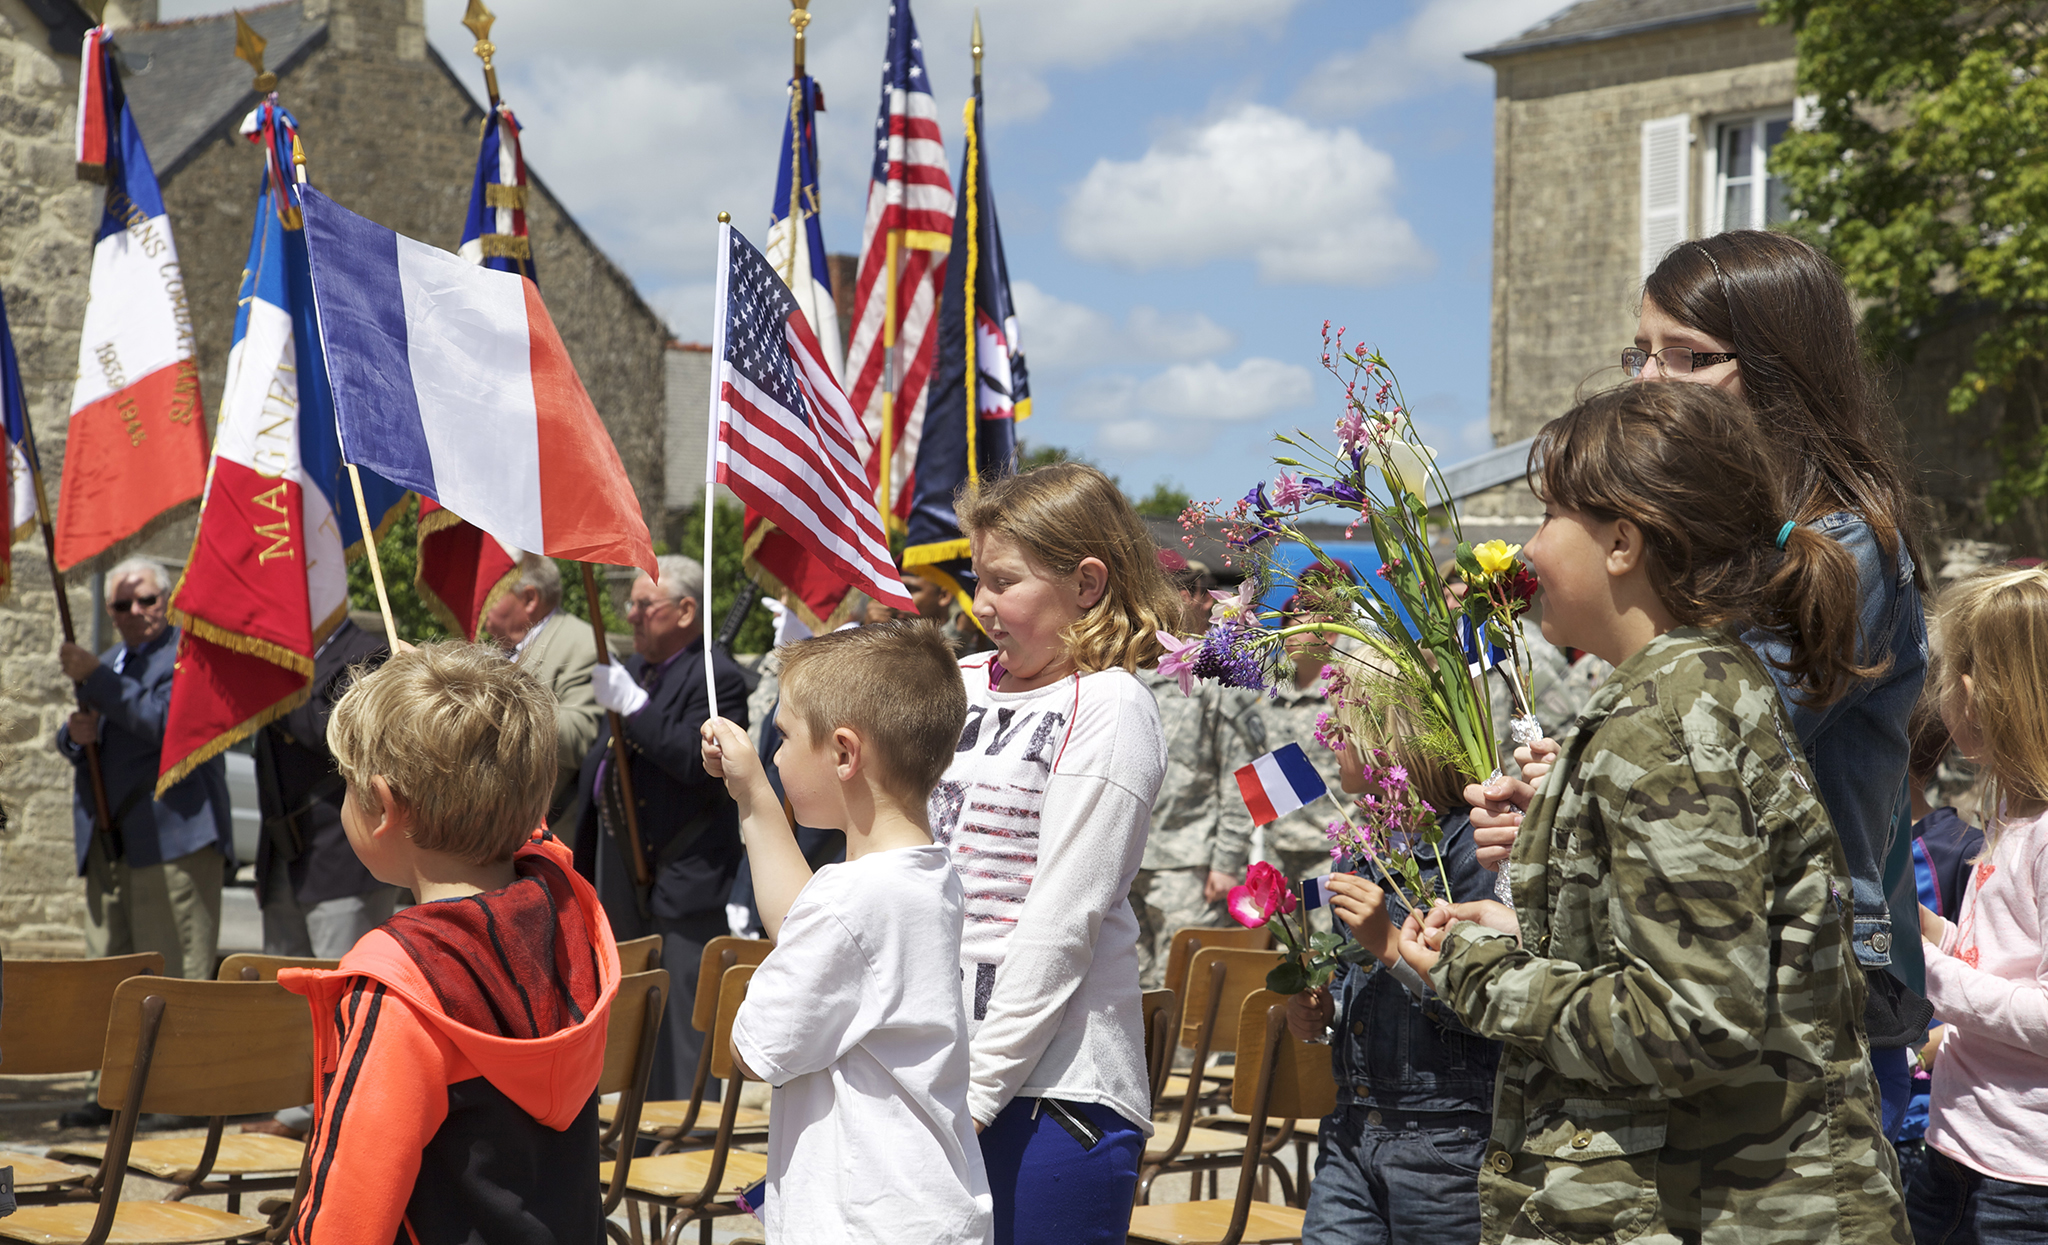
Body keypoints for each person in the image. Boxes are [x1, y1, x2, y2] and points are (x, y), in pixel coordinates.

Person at [1403, 382, 1908, 1242]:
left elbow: (1692, 1022)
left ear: (1623, 542)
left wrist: (1481, 967)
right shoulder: (1684, 691)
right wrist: (1536, 925)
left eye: (1550, 515)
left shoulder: (1670, 716)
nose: (1527, 547)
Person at [1474, 230, 1935, 1131]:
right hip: (1686, 976)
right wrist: (1545, 793)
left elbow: (1702, 745)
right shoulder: (1714, 535)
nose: (1649, 380)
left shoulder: (1843, 547)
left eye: (1687, 357)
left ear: (1780, 369)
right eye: (1639, 352)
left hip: (1807, 994)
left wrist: (1566, 786)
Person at [277, 643, 618, 1245]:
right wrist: (454, 709)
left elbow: (347, 1217)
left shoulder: (400, 984)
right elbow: (532, 830)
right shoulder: (569, 910)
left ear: (381, 805)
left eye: (346, 782)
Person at [930, 462, 1177, 1244]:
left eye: (1004, 580)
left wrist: (975, 1096)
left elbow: (1061, 920)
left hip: (1050, 1099)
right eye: (977, 577)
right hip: (932, 1076)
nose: (982, 603)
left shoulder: (1111, 706)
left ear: (1088, 583)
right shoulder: (956, 682)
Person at [700, 621, 992, 1244]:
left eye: (780, 736)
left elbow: (754, 1049)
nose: (774, 755)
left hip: (863, 1222)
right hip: (922, 1212)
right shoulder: (922, 873)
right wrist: (752, 790)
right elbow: (807, 920)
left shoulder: (852, 899)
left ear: (842, 754)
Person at [1285, 706, 1500, 1245]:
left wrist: (1388, 944)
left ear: (1391, 740)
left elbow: (1492, 1004)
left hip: (1446, 1142)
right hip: (1353, 1129)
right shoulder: (1365, 848)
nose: (1330, 741)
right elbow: (1351, 987)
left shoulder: (1474, 849)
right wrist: (1322, 1013)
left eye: (1342, 728)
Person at [572, 554, 749, 1101]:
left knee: (682, 1020)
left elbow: (699, 764)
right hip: (633, 869)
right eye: (631, 604)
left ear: (685, 610)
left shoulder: (716, 676)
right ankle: (643, 1128)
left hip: (686, 875)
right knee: (637, 1013)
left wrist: (635, 708)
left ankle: (686, 1136)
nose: (631, 615)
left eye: (644, 605)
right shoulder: (648, 672)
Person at [1908, 567, 2048, 1241]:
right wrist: (1913, 921)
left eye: (1952, 668)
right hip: (1956, 1148)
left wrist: (1926, 967)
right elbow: (1985, 953)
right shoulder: (2008, 815)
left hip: (2019, 1182)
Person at [55, 556, 232, 982]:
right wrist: (74, 736)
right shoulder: (112, 660)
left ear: (167, 600)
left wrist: (96, 677)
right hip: (111, 847)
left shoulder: (194, 653)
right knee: (106, 982)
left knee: (171, 979)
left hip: (174, 843)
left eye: (146, 600)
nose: (135, 612)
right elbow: (84, 733)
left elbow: (167, 722)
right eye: (121, 605)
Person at [1132, 549, 1264, 989]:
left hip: (1189, 865)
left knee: (1184, 993)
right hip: (1126, 860)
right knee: (1131, 999)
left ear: (1198, 600)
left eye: (1171, 591)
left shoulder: (1218, 676)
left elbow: (1243, 779)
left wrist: (1227, 862)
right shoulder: (1122, 667)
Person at [254, 617, 398, 959]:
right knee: (280, 1003)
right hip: (284, 860)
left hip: (342, 866)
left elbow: (335, 734)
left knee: (343, 1000)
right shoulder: (283, 658)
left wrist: (268, 684)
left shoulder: (368, 654)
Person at [481, 557, 603, 838]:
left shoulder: (584, 646)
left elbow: (581, 738)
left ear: (529, 598)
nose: (482, 600)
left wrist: (492, 703)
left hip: (546, 837)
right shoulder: (498, 647)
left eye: (492, 590)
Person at [1257, 572, 1352, 890]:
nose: (1290, 632)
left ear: (1331, 634)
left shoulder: (1347, 694)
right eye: (1285, 624)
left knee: (1328, 936)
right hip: (1279, 846)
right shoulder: (1270, 693)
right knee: (1289, 939)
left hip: (1328, 849)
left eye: (1300, 622)